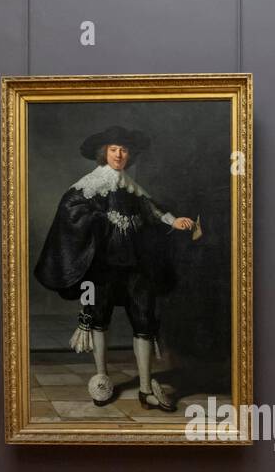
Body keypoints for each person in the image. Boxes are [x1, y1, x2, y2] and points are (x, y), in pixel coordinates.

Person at [33, 125, 196, 412]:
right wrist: (99, 220)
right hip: (102, 266)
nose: (119, 154)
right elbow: (71, 212)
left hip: (135, 265)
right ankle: (102, 379)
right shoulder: (90, 183)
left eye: (123, 149)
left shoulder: (131, 185)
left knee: (144, 320)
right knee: (99, 319)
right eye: (113, 149)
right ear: (103, 153)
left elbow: (152, 209)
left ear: (129, 154)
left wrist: (174, 221)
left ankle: (146, 389)